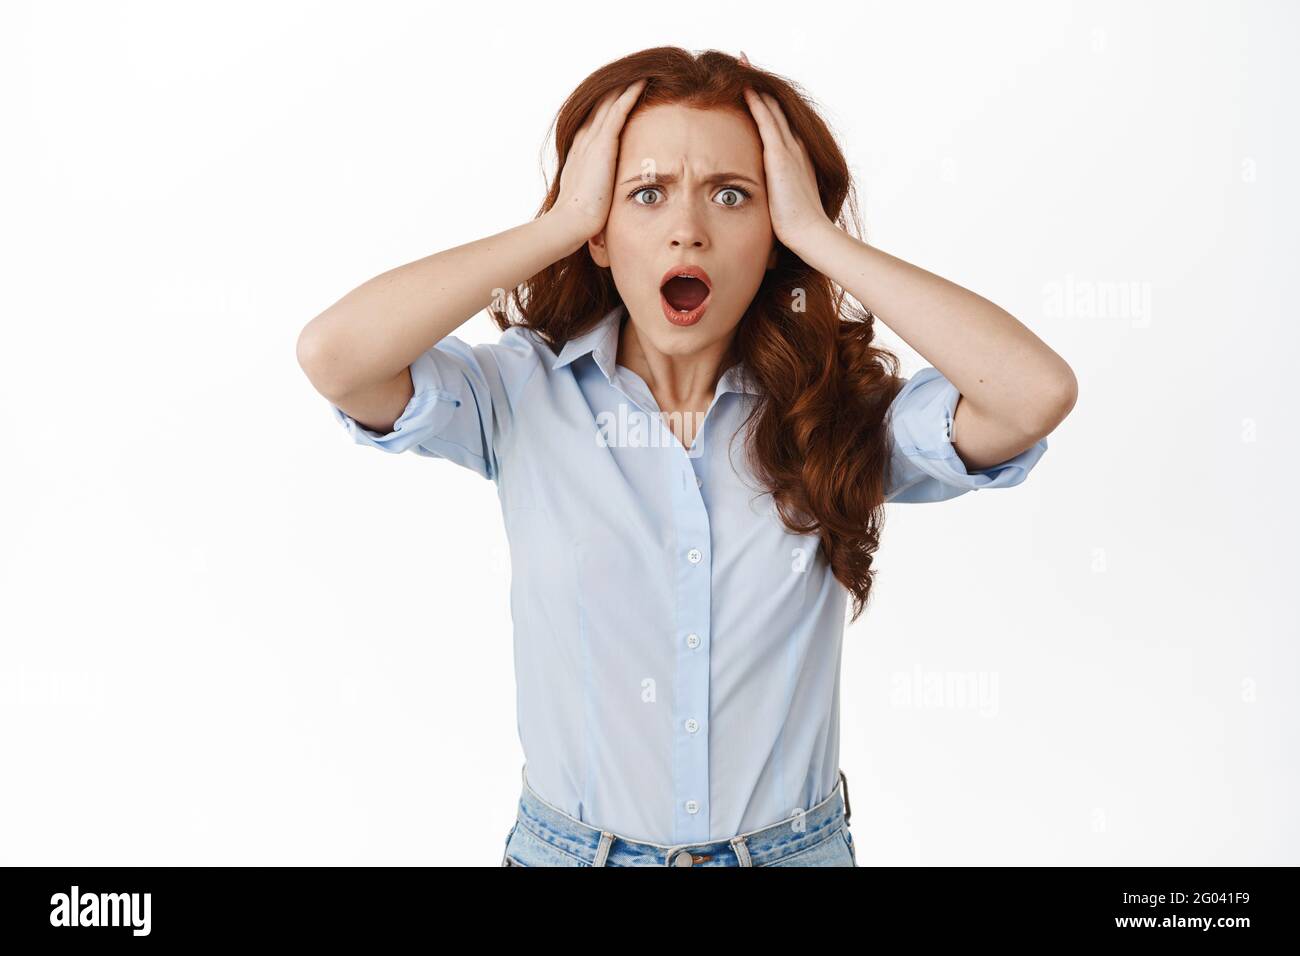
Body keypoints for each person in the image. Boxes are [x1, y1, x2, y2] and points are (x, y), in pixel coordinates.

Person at [296, 47, 1077, 867]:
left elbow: (1033, 394)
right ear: (603, 231)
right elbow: (335, 356)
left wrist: (815, 235)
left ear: (771, 235)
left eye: (733, 196)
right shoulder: (520, 394)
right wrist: (558, 225)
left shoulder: (833, 411)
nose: (687, 228)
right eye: (645, 193)